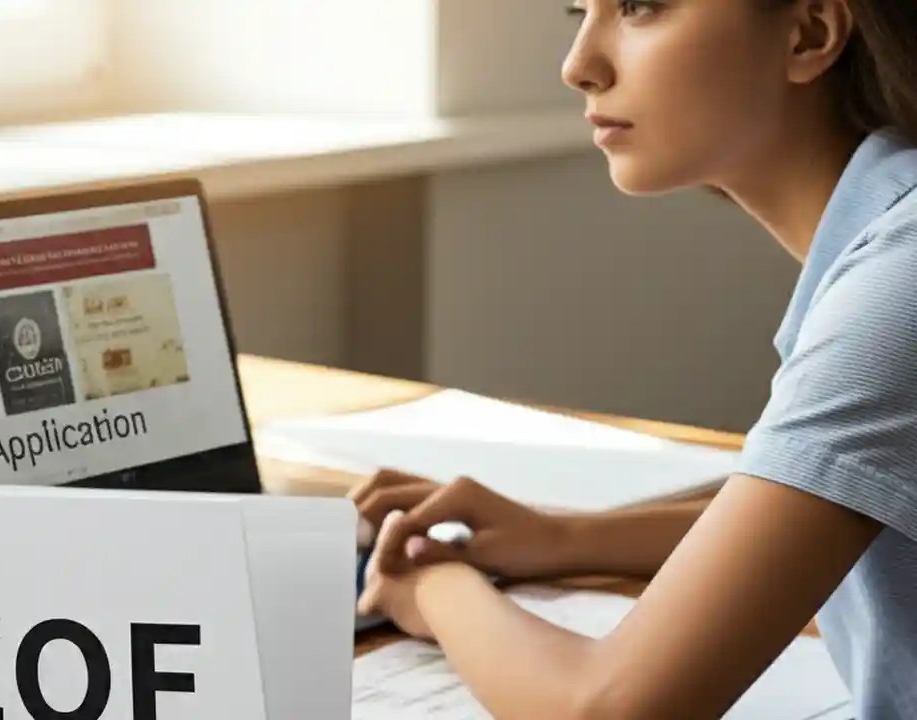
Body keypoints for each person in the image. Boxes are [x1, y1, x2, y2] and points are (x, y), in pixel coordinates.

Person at [353, 1, 917, 718]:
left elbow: (608, 709)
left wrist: (427, 583)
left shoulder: (899, 287)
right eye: (577, 11)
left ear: (809, 33)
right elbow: (811, 515)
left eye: (640, 7)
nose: (578, 65)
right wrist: (561, 537)